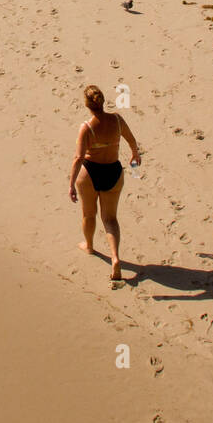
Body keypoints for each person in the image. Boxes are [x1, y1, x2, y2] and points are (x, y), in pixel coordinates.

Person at [69, 85, 140, 282]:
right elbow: (131, 140)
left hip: (90, 174)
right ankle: (115, 257)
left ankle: (89, 245)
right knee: (110, 219)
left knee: (88, 214)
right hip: (113, 172)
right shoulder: (117, 120)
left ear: (87, 105)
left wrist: (71, 183)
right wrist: (135, 153)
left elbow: (78, 157)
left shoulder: (87, 127)